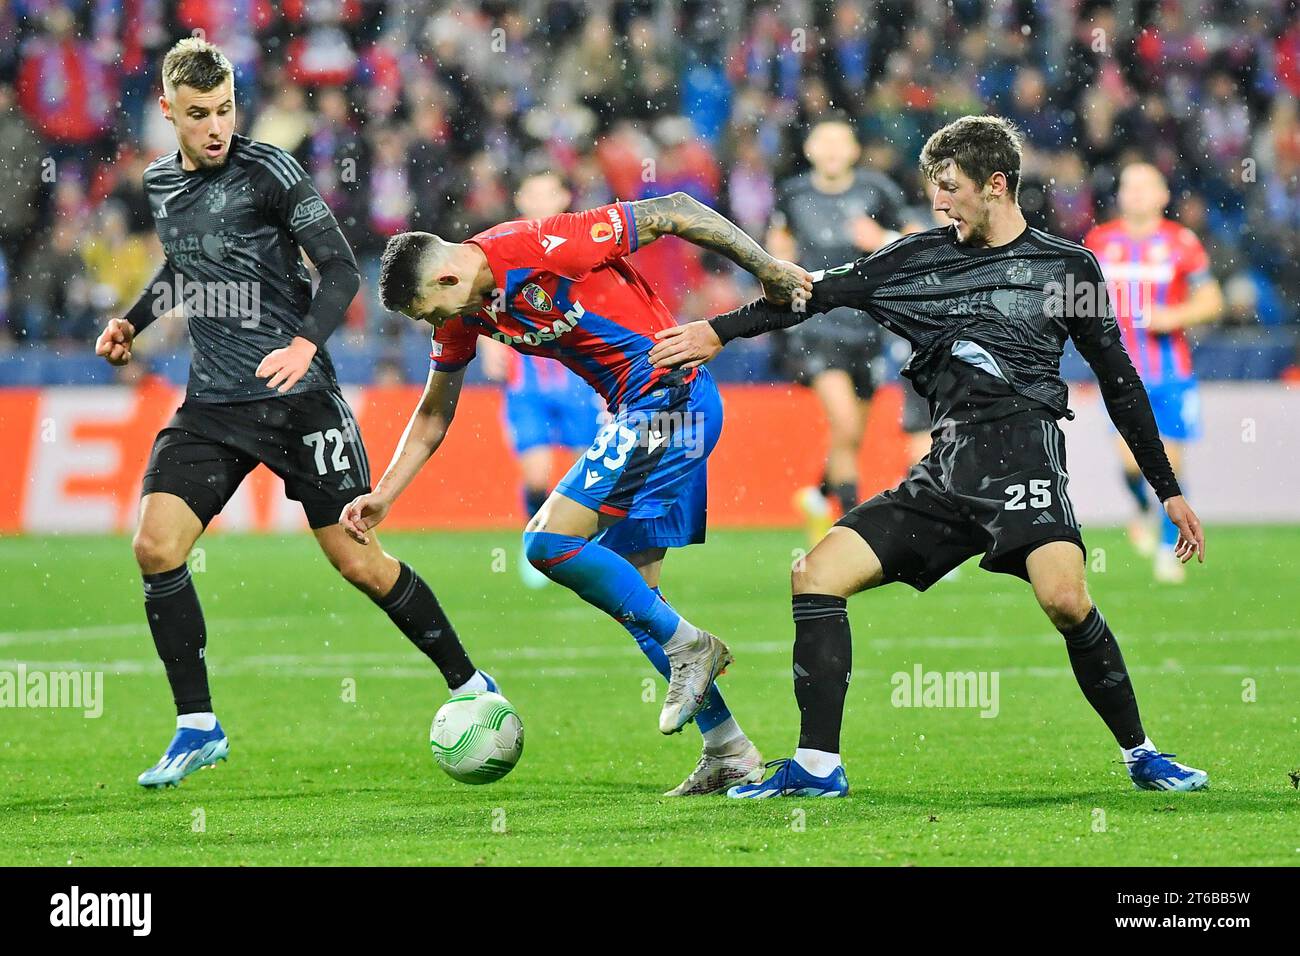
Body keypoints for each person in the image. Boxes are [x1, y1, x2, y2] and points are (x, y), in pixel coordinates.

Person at [649, 116, 1209, 798]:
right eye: (933, 187)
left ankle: (1143, 754)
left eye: (950, 187)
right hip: (944, 473)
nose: (938, 202)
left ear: (996, 185)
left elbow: (1120, 381)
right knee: (814, 575)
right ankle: (819, 768)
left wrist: (1167, 488)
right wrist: (717, 330)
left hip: (1024, 461)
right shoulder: (915, 260)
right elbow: (809, 293)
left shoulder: (1068, 269)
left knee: (1065, 600)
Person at [93, 38, 495, 789]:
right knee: (155, 545)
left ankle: (471, 684)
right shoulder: (157, 185)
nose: (215, 126)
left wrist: (306, 344)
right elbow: (185, 262)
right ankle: (197, 725)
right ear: (168, 113)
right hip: (213, 402)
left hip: (300, 400)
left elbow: (342, 268)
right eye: (199, 114)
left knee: (359, 562)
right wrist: (133, 321)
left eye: (225, 110)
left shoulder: (269, 170)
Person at [339, 193, 811, 795]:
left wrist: (768, 269)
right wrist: (385, 493)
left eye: (432, 313)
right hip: (644, 412)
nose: (438, 326)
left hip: (670, 400)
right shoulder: (465, 309)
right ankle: (729, 751)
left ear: (449, 276)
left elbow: (674, 210)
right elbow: (434, 412)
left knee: (546, 542)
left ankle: (691, 645)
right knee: (638, 599)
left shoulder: (539, 245)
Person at [766, 116, 908, 544]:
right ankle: (853, 531)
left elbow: (913, 239)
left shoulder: (876, 189)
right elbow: (777, 242)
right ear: (809, 149)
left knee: (854, 436)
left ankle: (818, 492)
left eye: (839, 141)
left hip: (866, 325)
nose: (830, 149)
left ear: (853, 150)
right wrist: (776, 259)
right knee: (844, 424)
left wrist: (881, 237)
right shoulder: (792, 193)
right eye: (822, 140)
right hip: (814, 323)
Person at [1084, 163, 1223, 583]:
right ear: (1120, 195)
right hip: (1120, 373)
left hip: (1171, 374)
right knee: (1131, 465)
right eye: (1130, 186)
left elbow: (1213, 301)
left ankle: (1168, 548)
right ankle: (1144, 506)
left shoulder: (1182, 243)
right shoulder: (1100, 242)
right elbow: (1080, 299)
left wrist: (1174, 315)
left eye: (1146, 186)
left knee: (1172, 464)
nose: (1138, 193)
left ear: (1163, 195)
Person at [476, 170, 604, 589]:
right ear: (520, 198)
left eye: (550, 192)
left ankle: (584, 545)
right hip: (527, 380)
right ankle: (534, 544)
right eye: (532, 192)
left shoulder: (585, 244)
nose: (541, 200)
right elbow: (480, 297)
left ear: (565, 197)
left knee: (590, 469)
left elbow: (604, 299)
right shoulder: (501, 245)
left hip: (578, 376)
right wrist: (486, 341)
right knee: (536, 474)